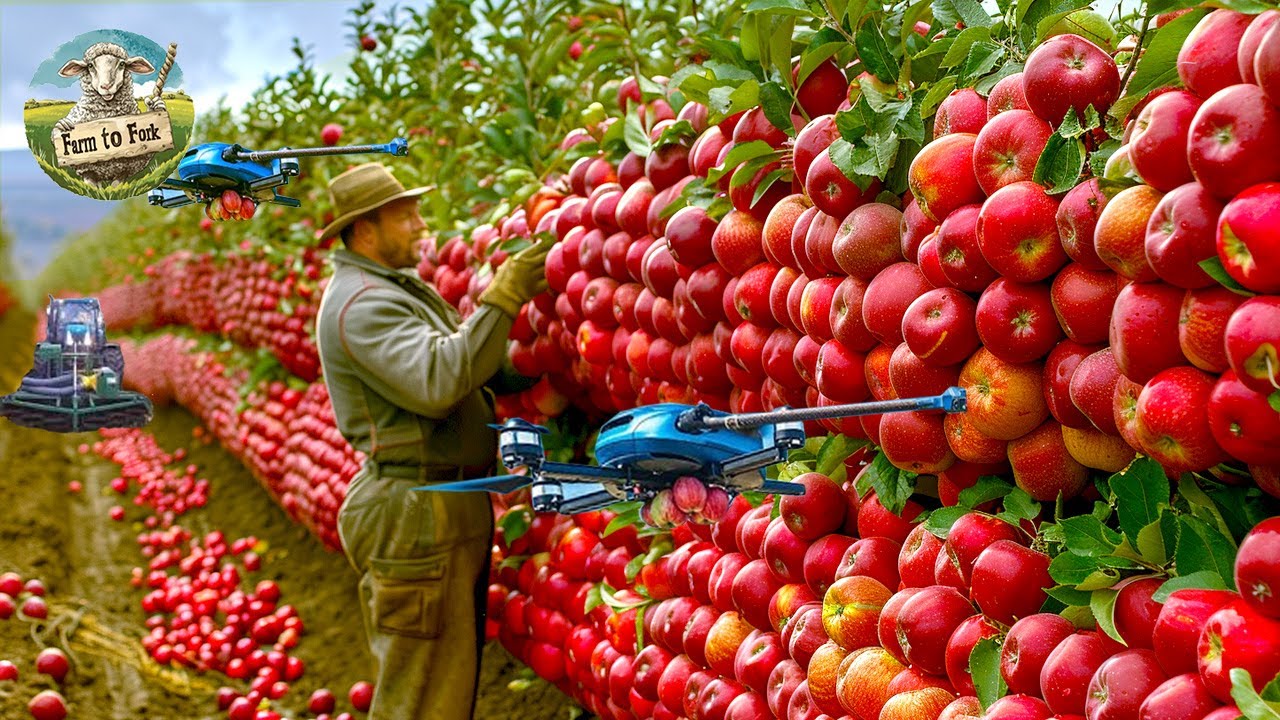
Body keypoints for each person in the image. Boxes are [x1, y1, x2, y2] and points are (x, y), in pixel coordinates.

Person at [314, 163, 550, 719]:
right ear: (366, 230)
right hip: (416, 516)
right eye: (406, 215)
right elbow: (440, 381)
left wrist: (537, 367)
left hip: (439, 507)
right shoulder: (362, 304)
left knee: (444, 684)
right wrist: (506, 294)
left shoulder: (395, 289)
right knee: (422, 697)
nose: (421, 225)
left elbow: (469, 365)